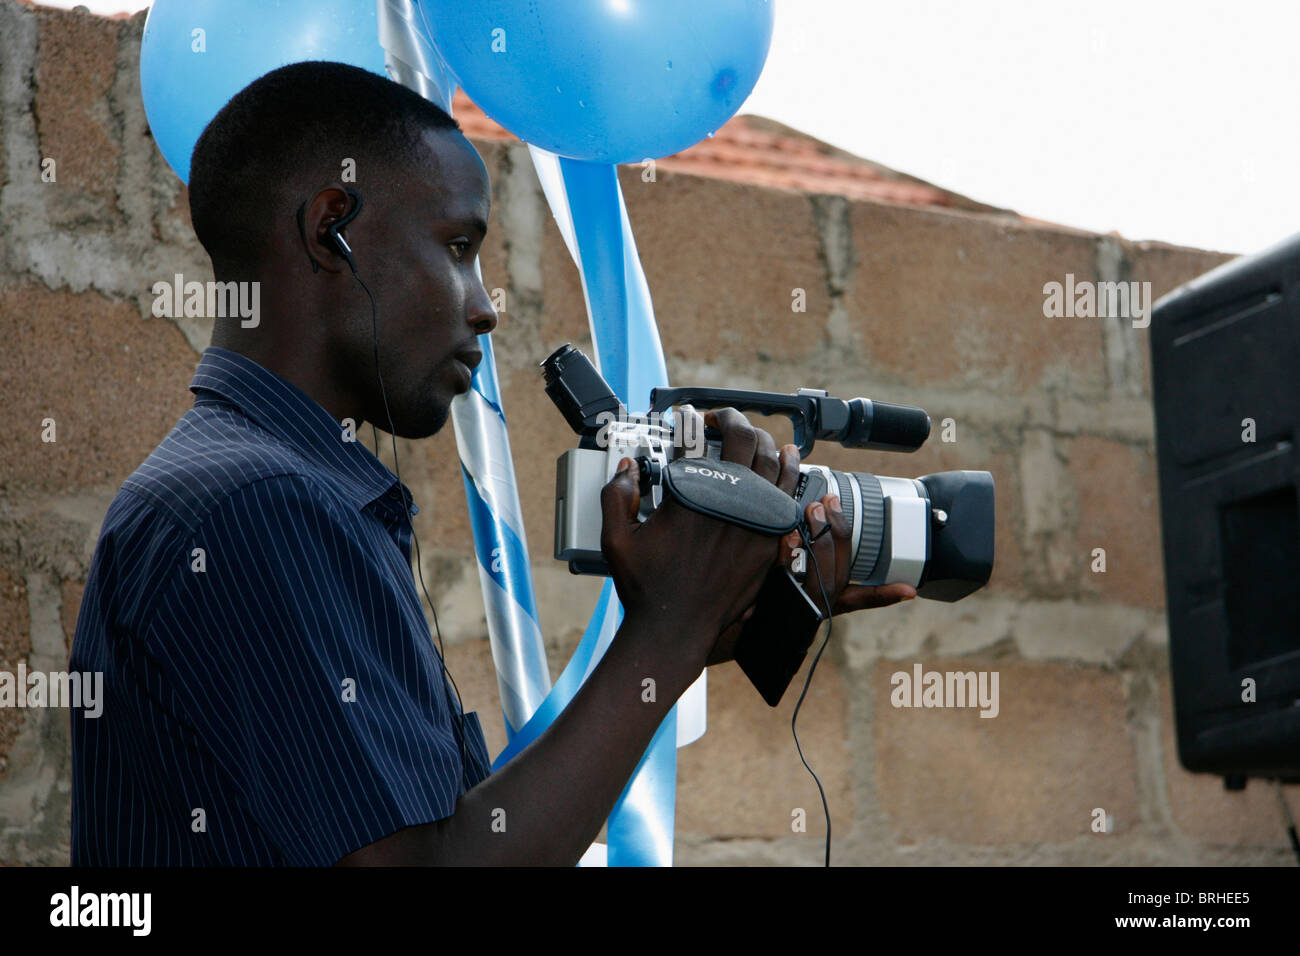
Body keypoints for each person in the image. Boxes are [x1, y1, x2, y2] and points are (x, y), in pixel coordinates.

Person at [69, 61, 914, 866]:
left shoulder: (275, 489)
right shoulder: (254, 508)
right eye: (460, 246)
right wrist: (667, 633)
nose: (483, 308)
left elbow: (470, 831)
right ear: (333, 230)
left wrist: (698, 625)